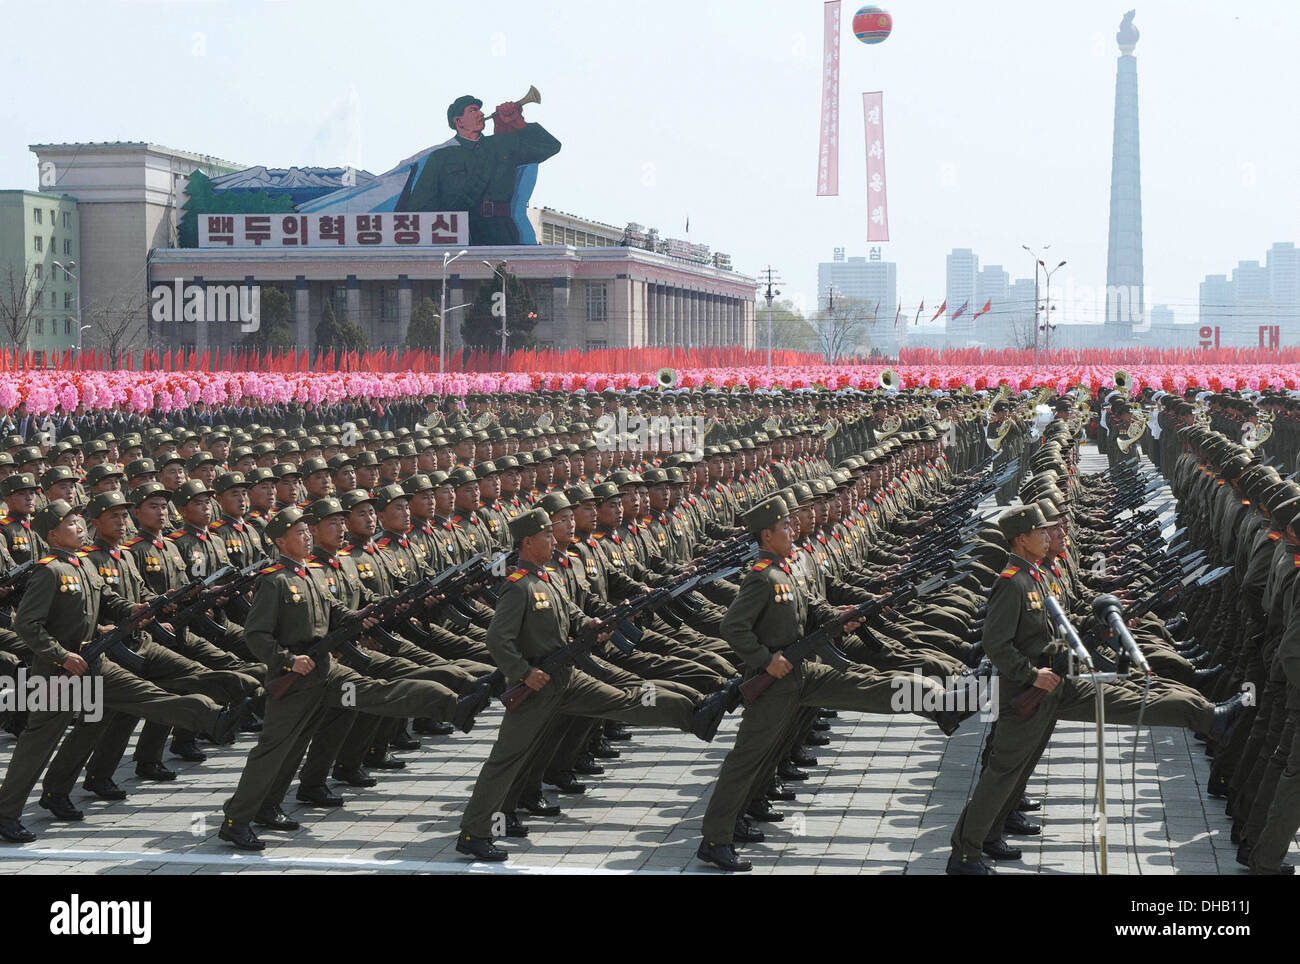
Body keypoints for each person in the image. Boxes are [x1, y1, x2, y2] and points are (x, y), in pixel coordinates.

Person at [695, 497, 957, 873]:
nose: (792, 530)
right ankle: (716, 839)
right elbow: (732, 627)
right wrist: (766, 660)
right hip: (774, 683)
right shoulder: (761, 577)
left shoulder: (785, 570)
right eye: (784, 527)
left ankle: (935, 701)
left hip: (805, 672)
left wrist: (839, 618)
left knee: (864, 685)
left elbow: (811, 607)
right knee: (747, 759)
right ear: (767, 535)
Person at [456, 507, 725, 862]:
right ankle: (476, 832)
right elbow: (497, 640)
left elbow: (571, 612)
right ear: (527, 542)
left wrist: (593, 624)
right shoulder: (517, 586)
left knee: (626, 700)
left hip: (566, 676)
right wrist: (522, 674)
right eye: (546, 535)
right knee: (507, 758)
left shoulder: (546, 578)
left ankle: (694, 713)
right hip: (536, 685)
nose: (553, 540)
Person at [0, 500, 247, 844]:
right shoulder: (49, 571)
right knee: (37, 744)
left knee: (144, 697)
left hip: (93, 661)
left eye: (79, 521)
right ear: (53, 533)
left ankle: (214, 717)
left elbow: (107, 598)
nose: (80, 526)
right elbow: (28, 625)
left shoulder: (82, 565)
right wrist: (60, 655)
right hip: (56, 673)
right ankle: (6, 814)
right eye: (72, 522)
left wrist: (136, 607)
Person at [398, 94, 561, 246]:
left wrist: (518, 122)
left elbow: (550, 147)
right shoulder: (441, 157)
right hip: (459, 235)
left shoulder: (502, 144)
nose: (481, 114)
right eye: (473, 110)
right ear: (458, 121)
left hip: (501, 231)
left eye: (480, 110)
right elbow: (420, 206)